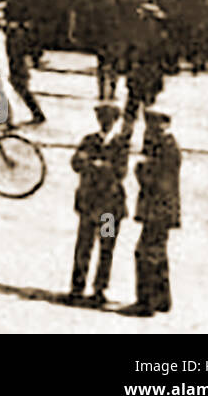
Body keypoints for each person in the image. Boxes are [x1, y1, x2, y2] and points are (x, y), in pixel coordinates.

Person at [66, 103, 129, 307]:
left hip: (110, 207)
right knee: (83, 246)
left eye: (109, 120)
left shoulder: (121, 143)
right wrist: (98, 165)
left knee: (106, 248)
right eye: (102, 119)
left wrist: (94, 165)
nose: (105, 123)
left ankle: (100, 288)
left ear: (115, 121)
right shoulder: (89, 140)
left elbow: (120, 171)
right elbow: (76, 163)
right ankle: (77, 287)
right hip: (89, 203)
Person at [125, 110, 181, 316]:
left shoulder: (163, 148)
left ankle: (146, 301)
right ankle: (161, 299)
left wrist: (141, 170)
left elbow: (153, 179)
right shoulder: (165, 146)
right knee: (157, 252)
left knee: (145, 253)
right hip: (160, 210)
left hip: (149, 211)